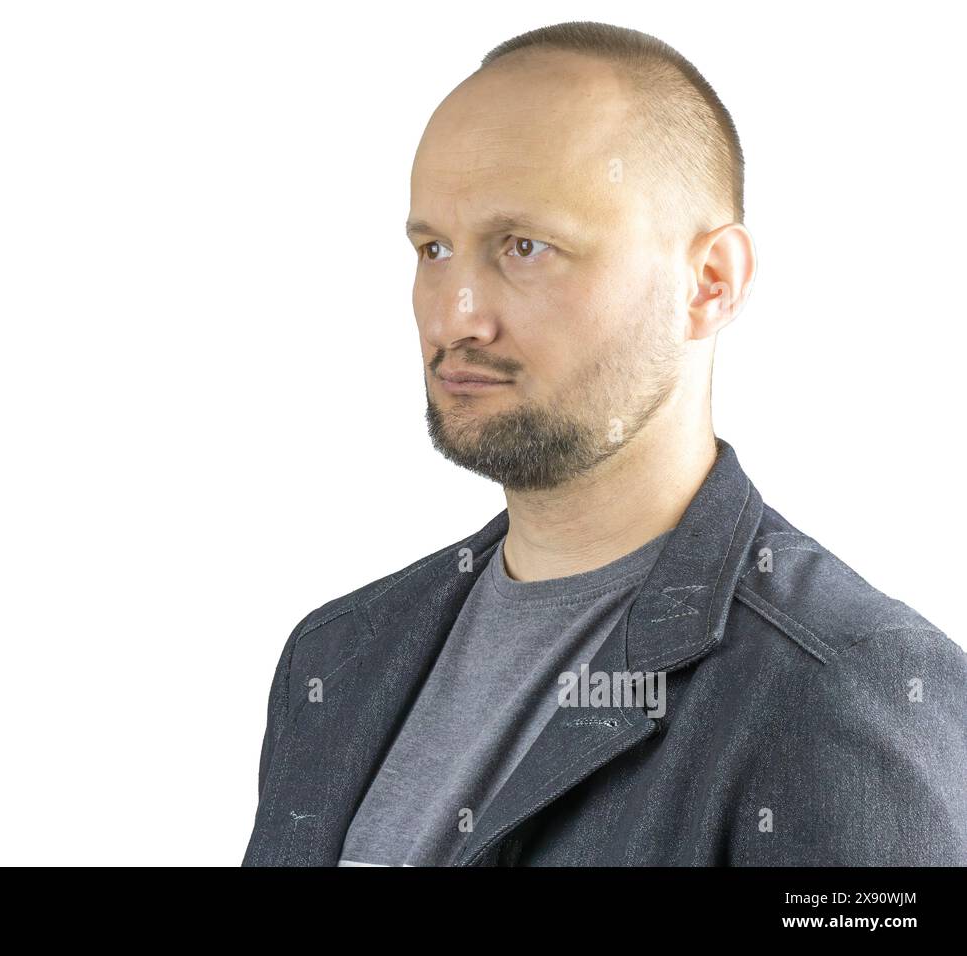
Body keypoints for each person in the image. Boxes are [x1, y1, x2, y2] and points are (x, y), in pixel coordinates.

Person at [242, 21, 967, 866]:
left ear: (709, 285)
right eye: (434, 248)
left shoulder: (843, 686)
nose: (455, 315)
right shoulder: (336, 658)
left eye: (526, 247)